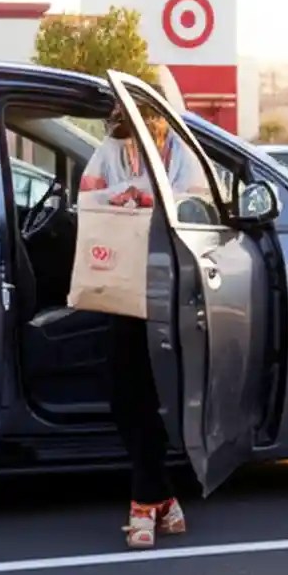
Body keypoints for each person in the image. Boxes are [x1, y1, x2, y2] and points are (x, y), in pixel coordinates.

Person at [78, 100, 200, 549]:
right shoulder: (112, 151)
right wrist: (118, 198)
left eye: (131, 132)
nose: (124, 140)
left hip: (171, 284)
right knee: (125, 397)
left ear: (155, 128)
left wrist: (149, 200)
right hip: (120, 281)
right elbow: (88, 195)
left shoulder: (180, 155)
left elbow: (195, 204)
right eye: (120, 132)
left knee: (146, 393)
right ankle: (164, 499)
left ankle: (144, 505)